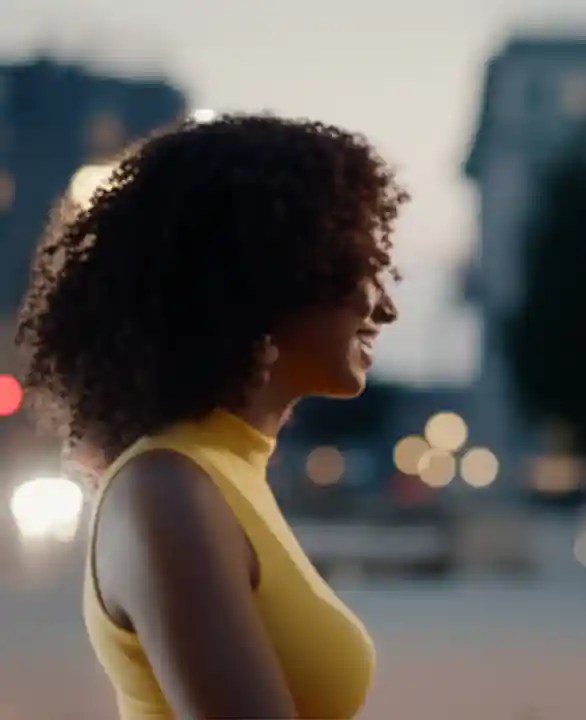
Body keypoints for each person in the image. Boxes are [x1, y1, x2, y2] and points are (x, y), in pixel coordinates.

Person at [15, 114, 407, 719]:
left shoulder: (219, 471)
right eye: (358, 267)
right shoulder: (166, 490)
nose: (383, 307)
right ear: (267, 278)